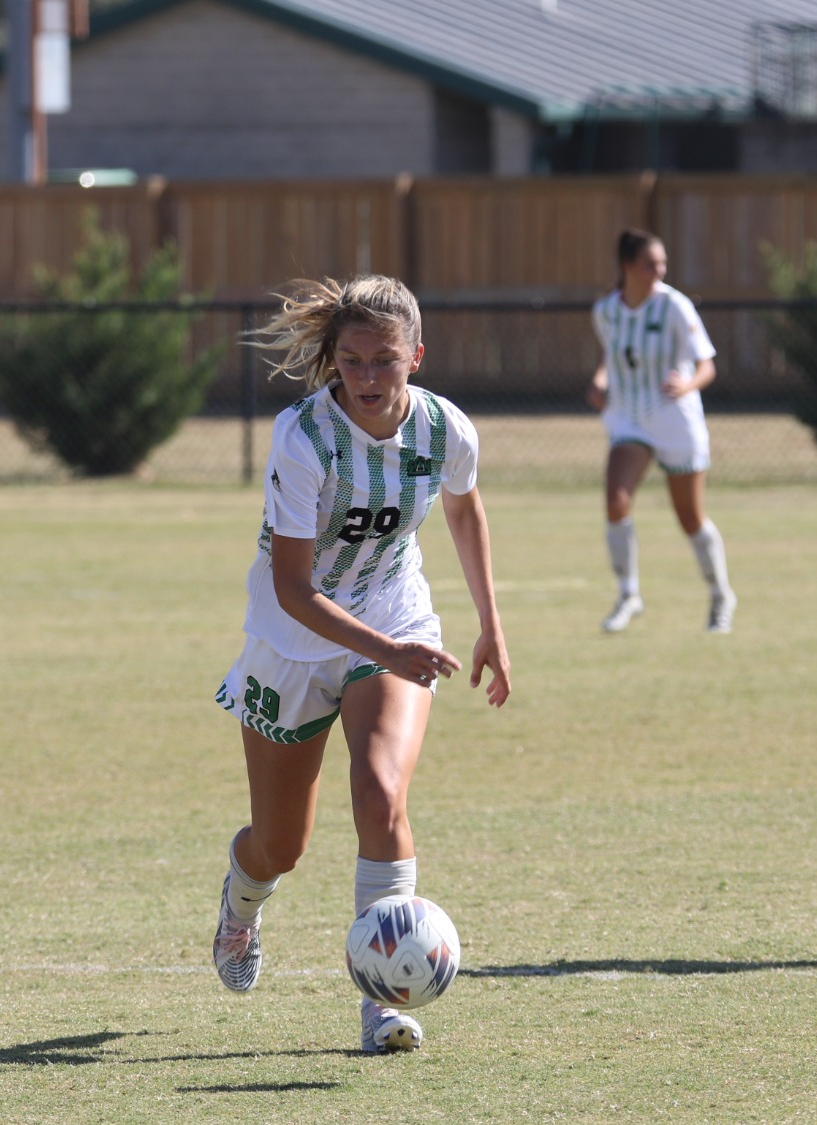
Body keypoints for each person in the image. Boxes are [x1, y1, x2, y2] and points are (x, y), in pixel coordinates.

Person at [210, 275, 510, 1054]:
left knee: (381, 793)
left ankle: (382, 1002)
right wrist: (389, 652)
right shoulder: (304, 436)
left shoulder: (446, 427)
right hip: (293, 636)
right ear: (333, 360)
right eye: (352, 361)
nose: (368, 379)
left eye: (385, 360)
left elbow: (463, 506)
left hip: (392, 614)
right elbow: (293, 586)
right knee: (281, 845)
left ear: (417, 354)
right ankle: (242, 904)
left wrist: (489, 624)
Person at [587, 229, 736, 635]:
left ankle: (721, 596)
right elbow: (610, 357)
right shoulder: (606, 310)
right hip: (629, 418)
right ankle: (628, 594)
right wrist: (600, 382)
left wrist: (686, 385)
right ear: (628, 267)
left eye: (663, 264)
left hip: (675, 420)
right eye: (651, 264)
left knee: (689, 517)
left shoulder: (674, 307)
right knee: (616, 501)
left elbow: (707, 364)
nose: (660, 271)